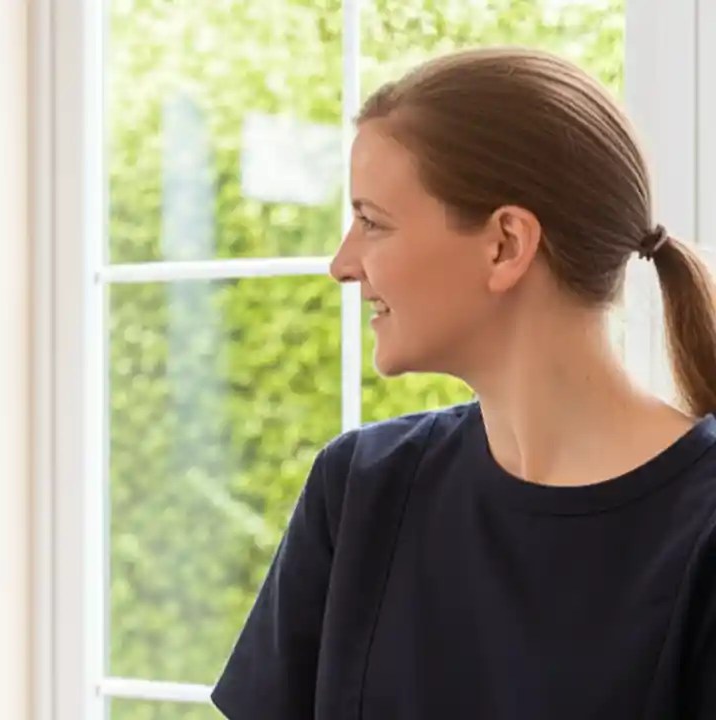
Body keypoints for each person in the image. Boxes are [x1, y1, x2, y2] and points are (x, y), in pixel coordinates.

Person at [212, 47, 716, 719]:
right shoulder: (358, 490)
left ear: (506, 243)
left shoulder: (703, 535)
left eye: (371, 222)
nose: (342, 263)